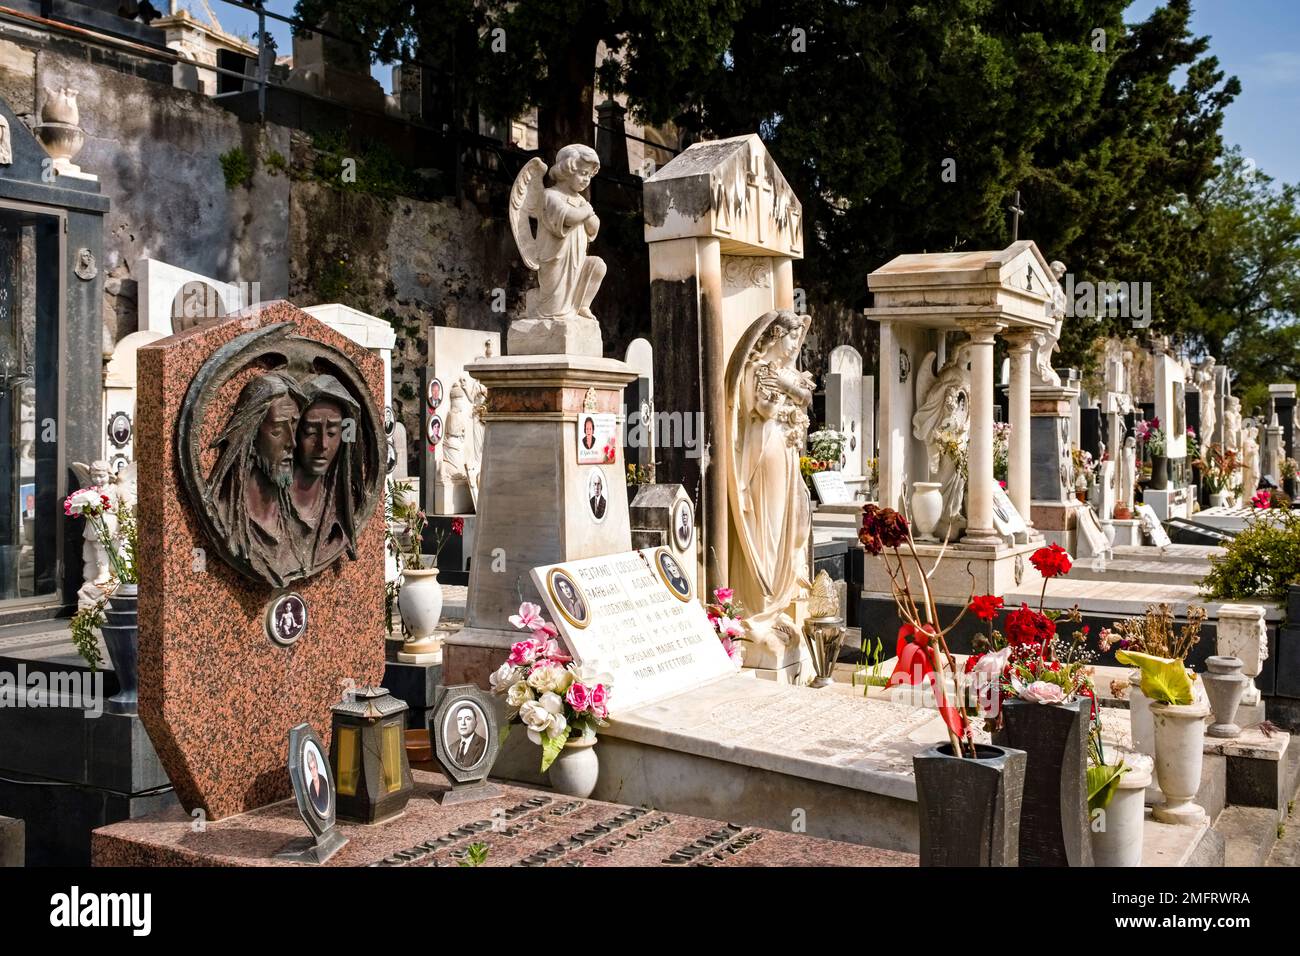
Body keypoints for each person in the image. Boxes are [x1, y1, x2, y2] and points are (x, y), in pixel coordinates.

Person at [305, 746, 330, 816]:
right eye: (311, 768)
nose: (313, 771)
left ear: (317, 766)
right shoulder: (310, 786)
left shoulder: (324, 781)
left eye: (314, 767)